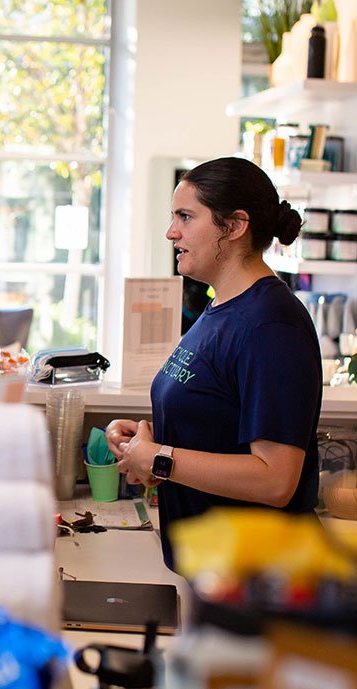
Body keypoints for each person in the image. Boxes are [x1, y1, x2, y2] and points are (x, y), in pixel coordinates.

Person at [106, 156, 321, 570]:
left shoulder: (272, 324)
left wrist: (160, 458)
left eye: (186, 216)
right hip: (212, 570)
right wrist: (143, 444)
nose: (172, 232)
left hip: (256, 580)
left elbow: (276, 479)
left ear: (236, 225)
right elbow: (214, 420)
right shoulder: (221, 306)